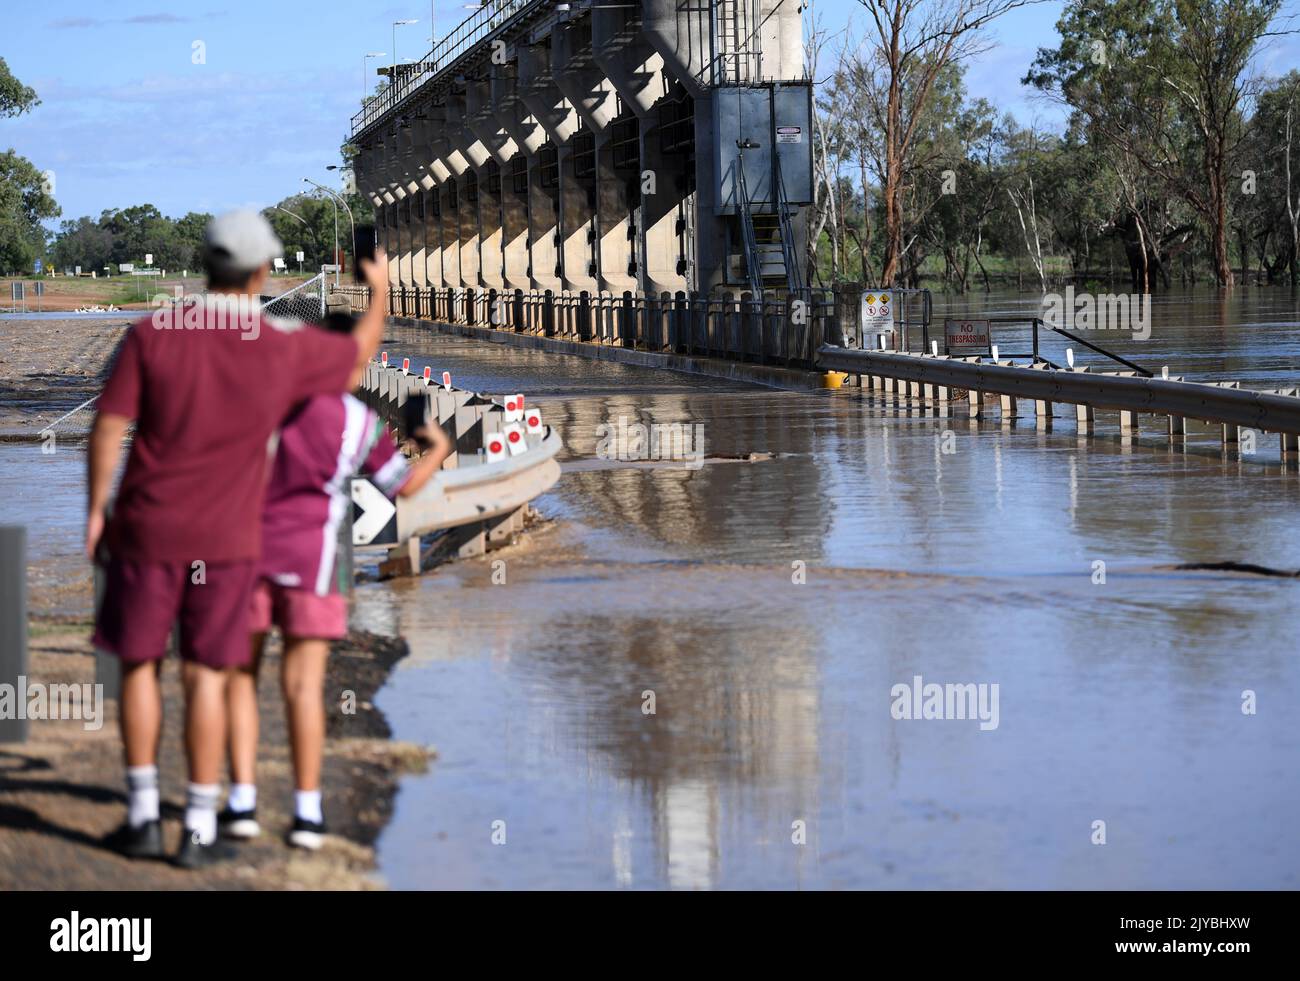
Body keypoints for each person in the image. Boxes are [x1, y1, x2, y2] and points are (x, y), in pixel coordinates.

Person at [88, 210, 389, 868]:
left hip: (145, 527)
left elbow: (109, 424)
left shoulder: (152, 333)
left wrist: (95, 512)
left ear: (205, 264)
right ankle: (198, 824)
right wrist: (381, 287)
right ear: (260, 273)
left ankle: (141, 814)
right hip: (224, 542)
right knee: (207, 674)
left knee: (138, 663)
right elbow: (358, 353)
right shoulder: (277, 345)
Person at [221, 313, 451, 850]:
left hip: (246, 558)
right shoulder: (358, 422)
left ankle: (242, 804)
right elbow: (403, 487)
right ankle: (305, 814)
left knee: (240, 680)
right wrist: (435, 447)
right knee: (304, 690)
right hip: (315, 564)